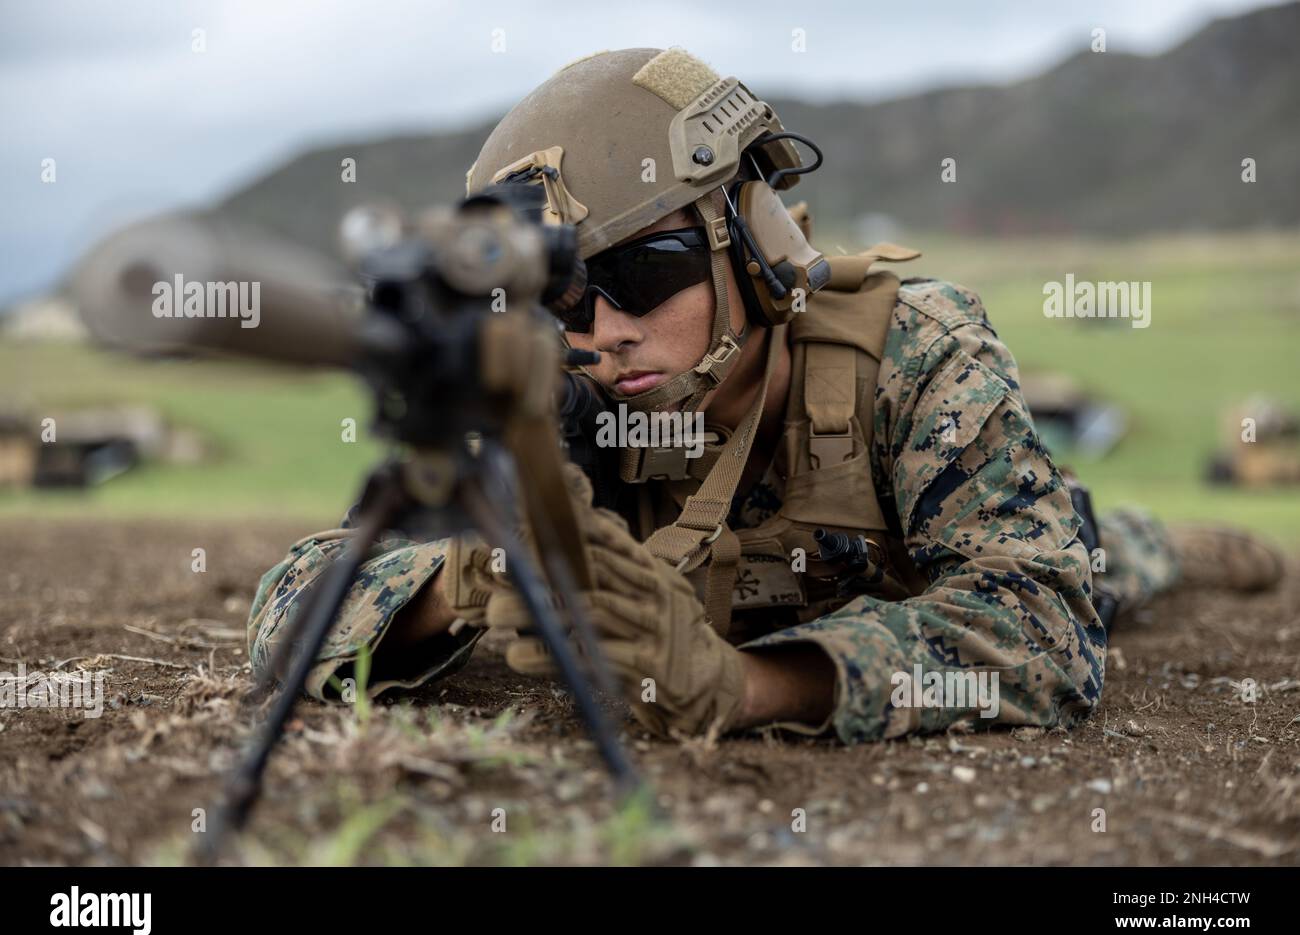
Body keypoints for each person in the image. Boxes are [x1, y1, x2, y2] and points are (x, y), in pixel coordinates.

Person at [247, 48, 1282, 743]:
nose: (602, 327)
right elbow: (293, 602)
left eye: (643, 269)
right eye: (560, 292)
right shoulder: (556, 390)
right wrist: (455, 581)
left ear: (752, 241)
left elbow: (1043, 632)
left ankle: (1173, 542)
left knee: (1106, 555)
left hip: (945, 560)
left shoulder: (912, 353)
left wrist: (746, 687)